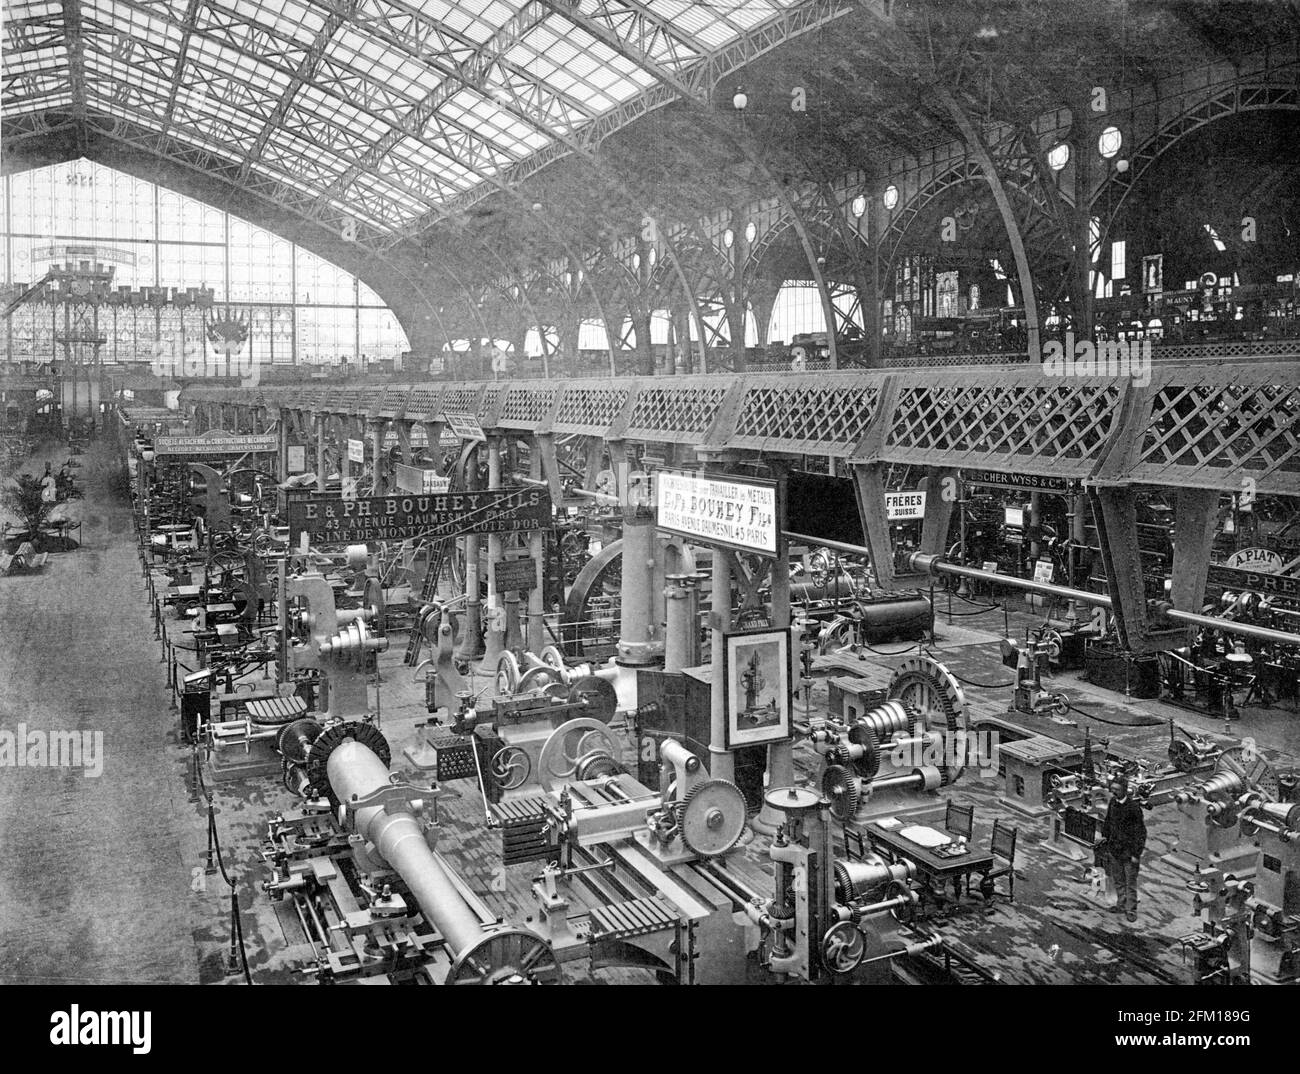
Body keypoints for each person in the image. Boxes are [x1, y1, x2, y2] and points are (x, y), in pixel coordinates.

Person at [1099, 775, 1146, 922]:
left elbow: (1141, 832)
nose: (1113, 792)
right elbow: (1108, 821)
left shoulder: (1133, 808)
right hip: (1114, 850)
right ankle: (1121, 904)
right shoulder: (1113, 802)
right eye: (1112, 789)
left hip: (1129, 852)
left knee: (1130, 883)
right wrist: (1105, 837)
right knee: (1118, 880)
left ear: (1125, 790)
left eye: (1117, 790)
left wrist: (1136, 854)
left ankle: (1131, 910)